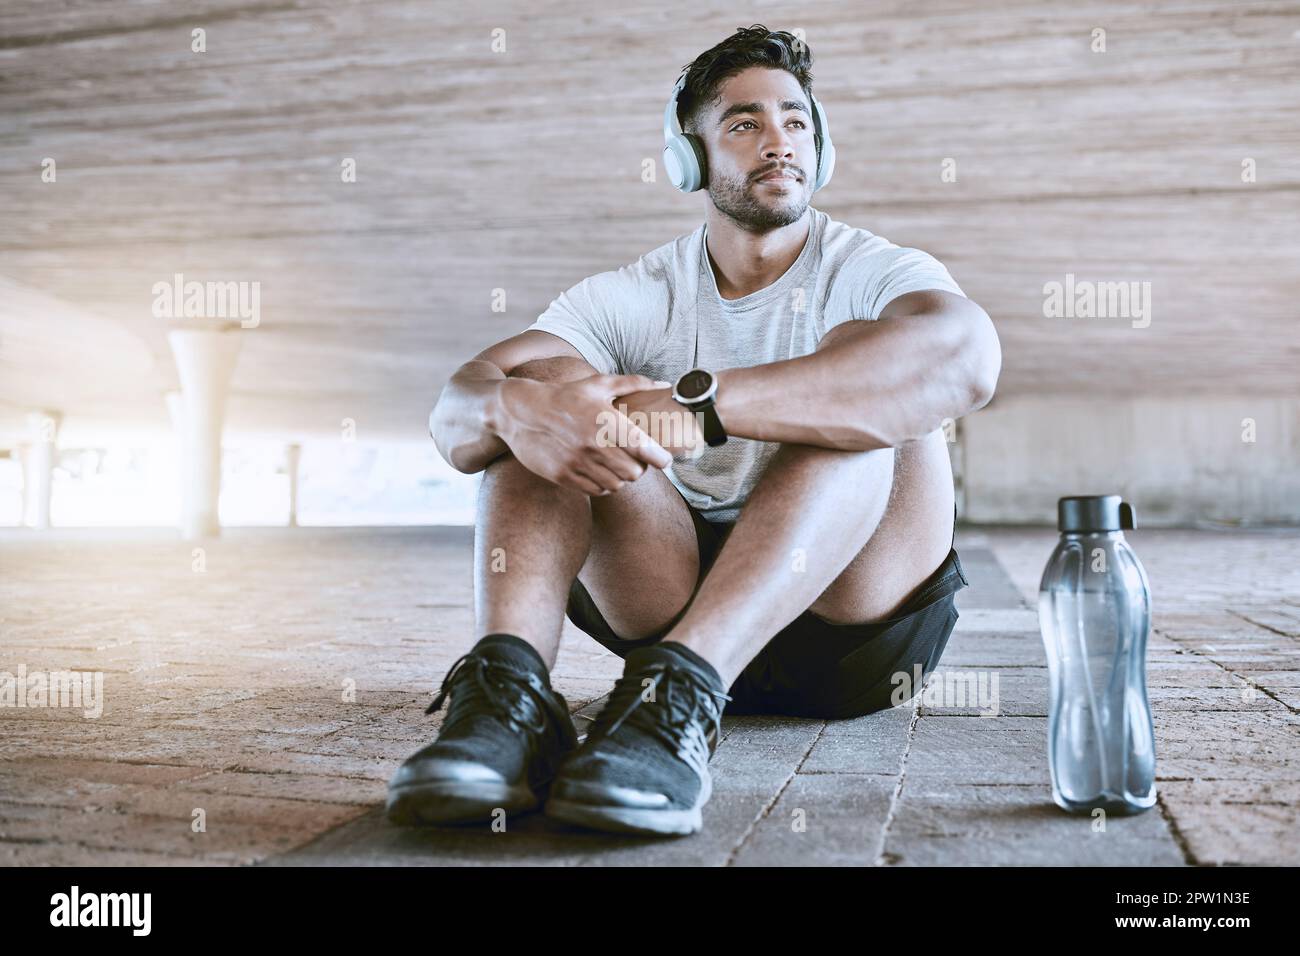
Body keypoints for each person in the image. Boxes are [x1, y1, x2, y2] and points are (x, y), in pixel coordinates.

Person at [387, 24, 1000, 837]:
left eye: (796, 121)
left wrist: (699, 406)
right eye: (744, 124)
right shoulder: (637, 293)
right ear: (689, 158)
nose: (778, 141)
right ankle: (507, 703)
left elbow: (968, 359)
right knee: (544, 392)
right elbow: (454, 415)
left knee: (863, 376)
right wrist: (518, 412)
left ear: (822, 147)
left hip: (855, 633)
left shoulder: (871, 267)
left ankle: (685, 689)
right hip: (666, 605)